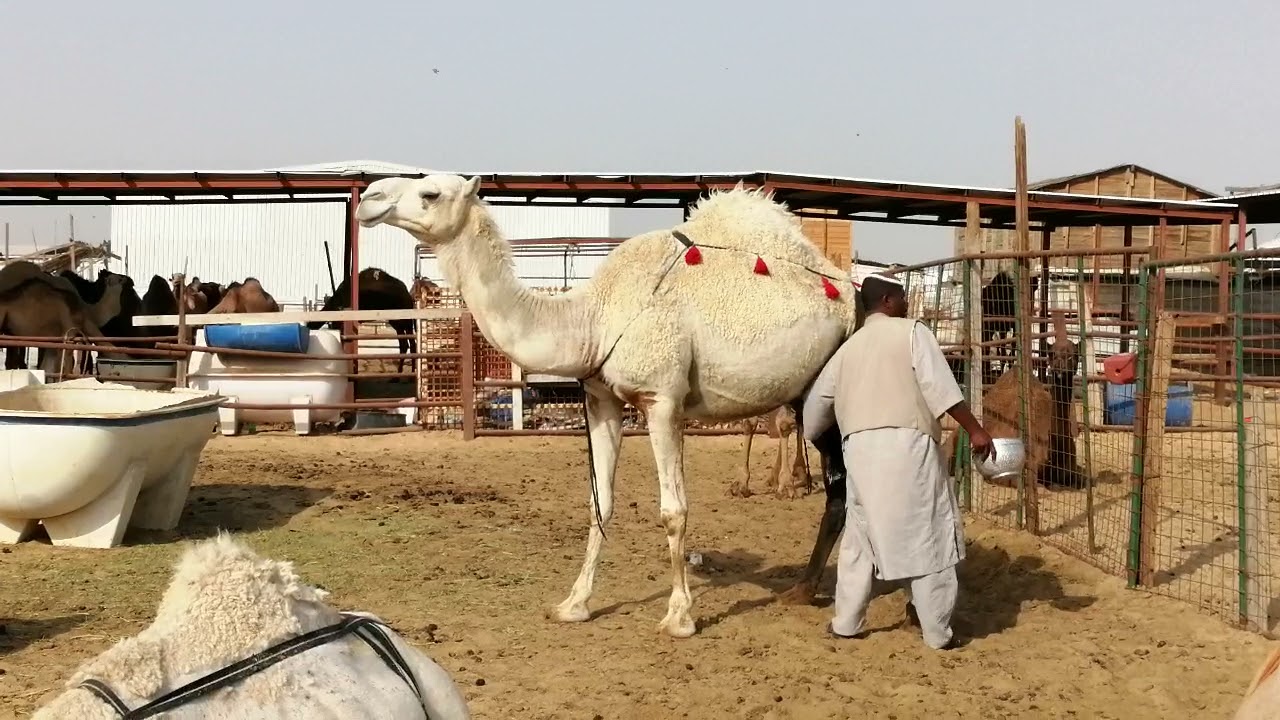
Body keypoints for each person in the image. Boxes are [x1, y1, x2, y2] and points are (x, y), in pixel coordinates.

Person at [801, 272, 995, 650]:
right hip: (908, 446)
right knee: (928, 536)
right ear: (888, 301)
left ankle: (846, 623)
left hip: (858, 450)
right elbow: (941, 387)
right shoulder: (912, 332)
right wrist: (975, 430)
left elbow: (812, 418)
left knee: (860, 538)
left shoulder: (847, 350)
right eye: (903, 297)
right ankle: (937, 633)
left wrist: (844, 437)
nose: (907, 304)